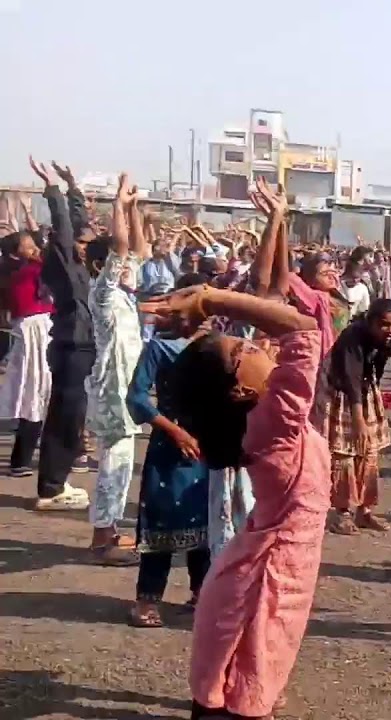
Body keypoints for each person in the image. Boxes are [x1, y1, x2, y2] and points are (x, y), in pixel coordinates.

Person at [142, 282, 325, 719]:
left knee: (235, 682)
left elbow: (281, 307)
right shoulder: (275, 423)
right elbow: (304, 330)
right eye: (247, 350)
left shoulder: (261, 420)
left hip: (259, 569)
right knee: (246, 690)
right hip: (268, 580)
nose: (261, 347)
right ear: (240, 390)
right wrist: (211, 298)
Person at [125, 274, 210, 629]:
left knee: (207, 523)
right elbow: (137, 398)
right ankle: (146, 600)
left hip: (208, 447)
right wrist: (175, 431)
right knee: (163, 522)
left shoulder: (219, 345)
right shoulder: (160, 348)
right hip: (170, 447)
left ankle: (203, 594)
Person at [85, 173, 149, 565]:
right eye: (119, 264)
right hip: (112, 391)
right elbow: (123, 248)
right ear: (102, 265)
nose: (128, 266)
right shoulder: (104, 293)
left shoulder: (124, 293)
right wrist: (117, 205)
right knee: (113, 465)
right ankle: (101, 539)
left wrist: (134, 207)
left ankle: (109, 531)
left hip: (125, 389)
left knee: (122, 466)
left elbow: (138, 249)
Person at [314, 299, 391, 535]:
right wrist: (358, 420)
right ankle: (342, 513)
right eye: (384, 325)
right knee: (344, 454)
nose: (390, 330)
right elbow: (350, 381)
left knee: (369, 453)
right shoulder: (352, 337)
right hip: (340, 392)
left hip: (366, 388)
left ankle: (365, 511)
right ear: (371, 322)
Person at [30, 159, 96, 511]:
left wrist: (73, 188)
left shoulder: (78, 265)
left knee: (70, 419)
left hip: (77, 348)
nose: (85, 246)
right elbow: (66, 229)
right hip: (71, 347)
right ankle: (52, 489)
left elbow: (78, 226)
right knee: (66, 419)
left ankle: (55, 482)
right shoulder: (63, 263)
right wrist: (55, 190)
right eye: (82, 243)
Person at [0, 223, 53, 477]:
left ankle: (26, 457)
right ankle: (21, 459)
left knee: (41, 394)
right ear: (14, 253)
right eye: (28, 246)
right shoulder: (22, 273)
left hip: (42, 330)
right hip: (33, 333)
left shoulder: (28, 270)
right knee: (35, 394)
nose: (35, 249)